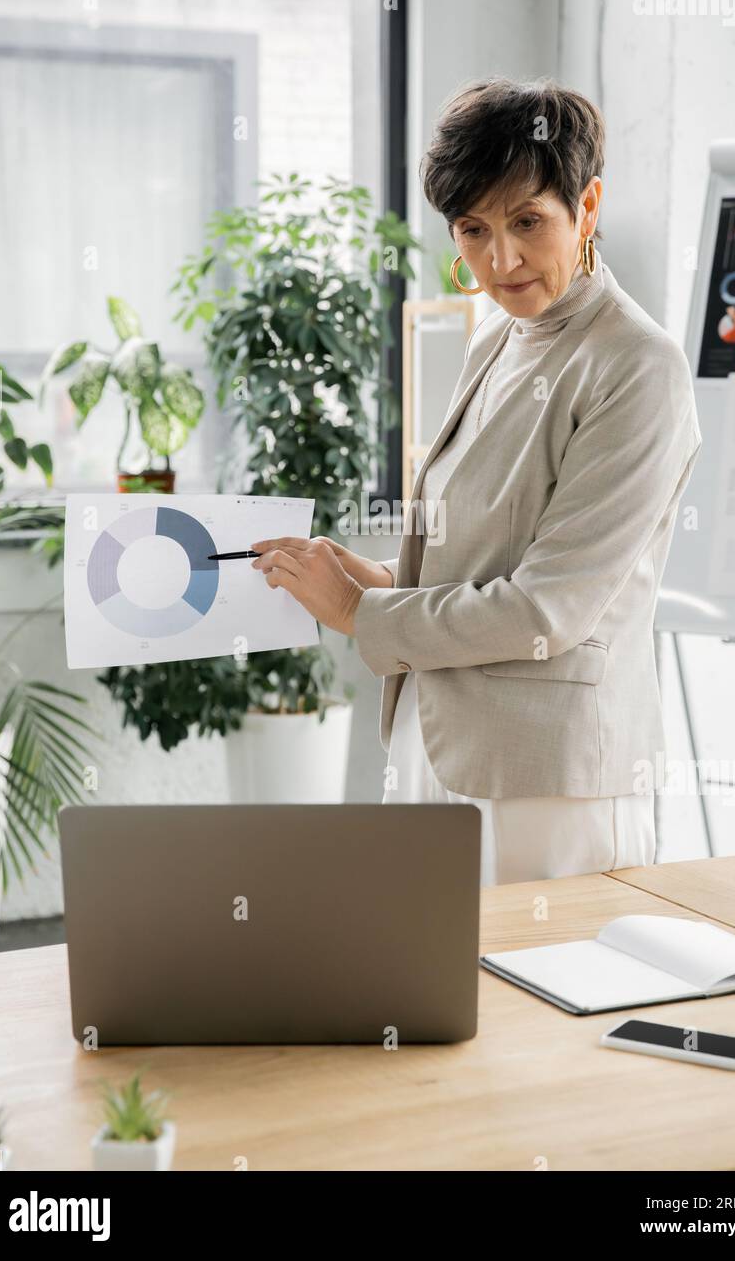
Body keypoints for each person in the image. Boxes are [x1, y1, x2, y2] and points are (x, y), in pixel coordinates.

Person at [250, 76, 702, 886]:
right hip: (438, 744)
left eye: (529, 221)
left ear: (587, 207)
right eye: (473, 229)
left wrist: (361, 612)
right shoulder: (499, 334)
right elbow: (486, 556)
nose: (502, 259)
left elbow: (547, 606)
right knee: (433, 1000)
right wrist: (381, 577)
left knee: (541, 1004)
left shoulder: (638, 368)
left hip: (548, 781)